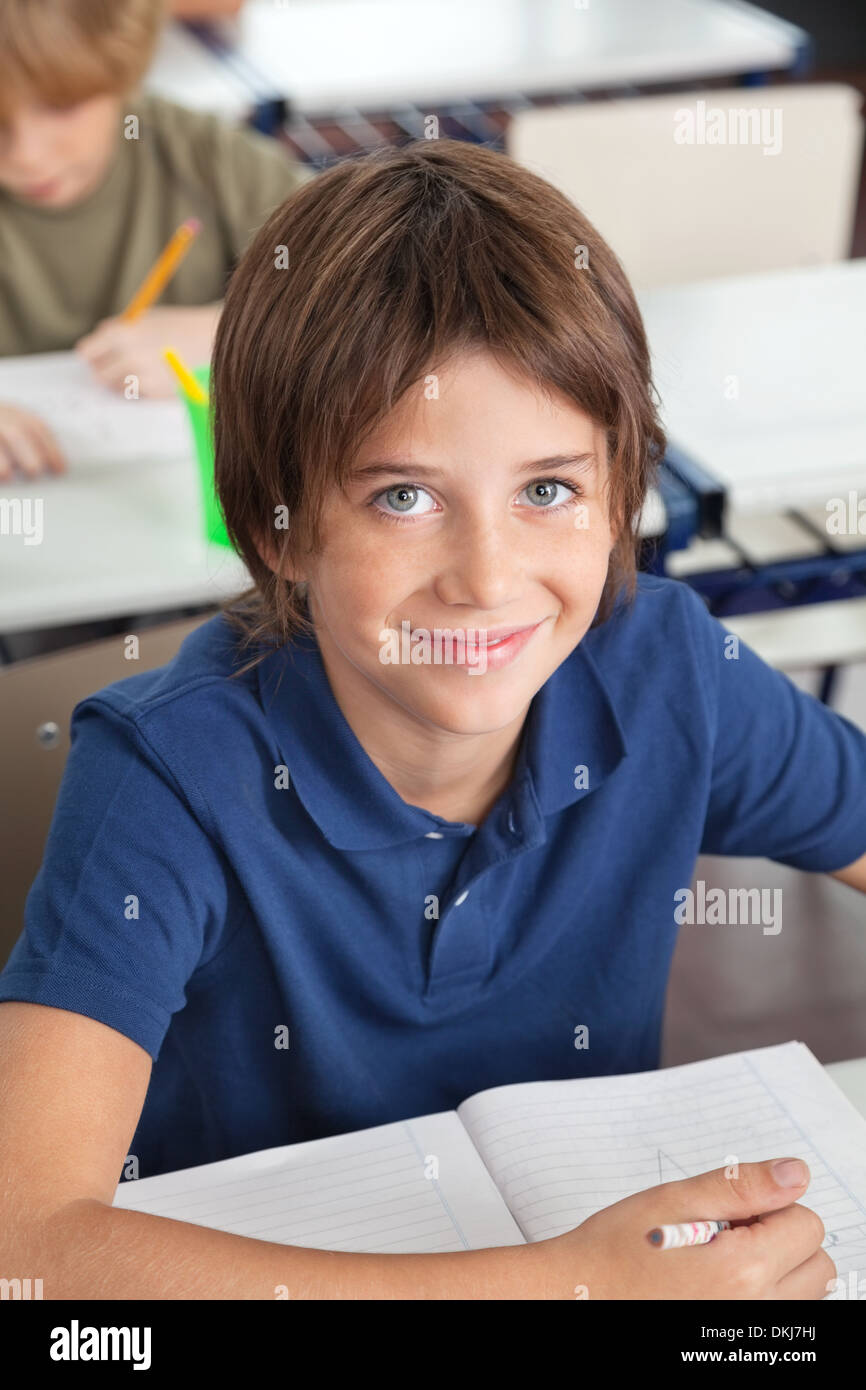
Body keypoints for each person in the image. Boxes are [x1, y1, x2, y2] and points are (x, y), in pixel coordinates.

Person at [1, 138, 865, 1299]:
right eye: (403, 496)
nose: (486, 575)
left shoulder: (667, 665)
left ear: (619, 499)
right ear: (279, 529)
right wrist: (566, 1288)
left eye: (547, 489)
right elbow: (27, 1247)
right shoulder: (166, 774)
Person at [0, 0, 310, 479]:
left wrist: (232, 338)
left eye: (62, 105)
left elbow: (390, 286)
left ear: (124, 71)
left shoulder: (203, 159)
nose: (27, 156)